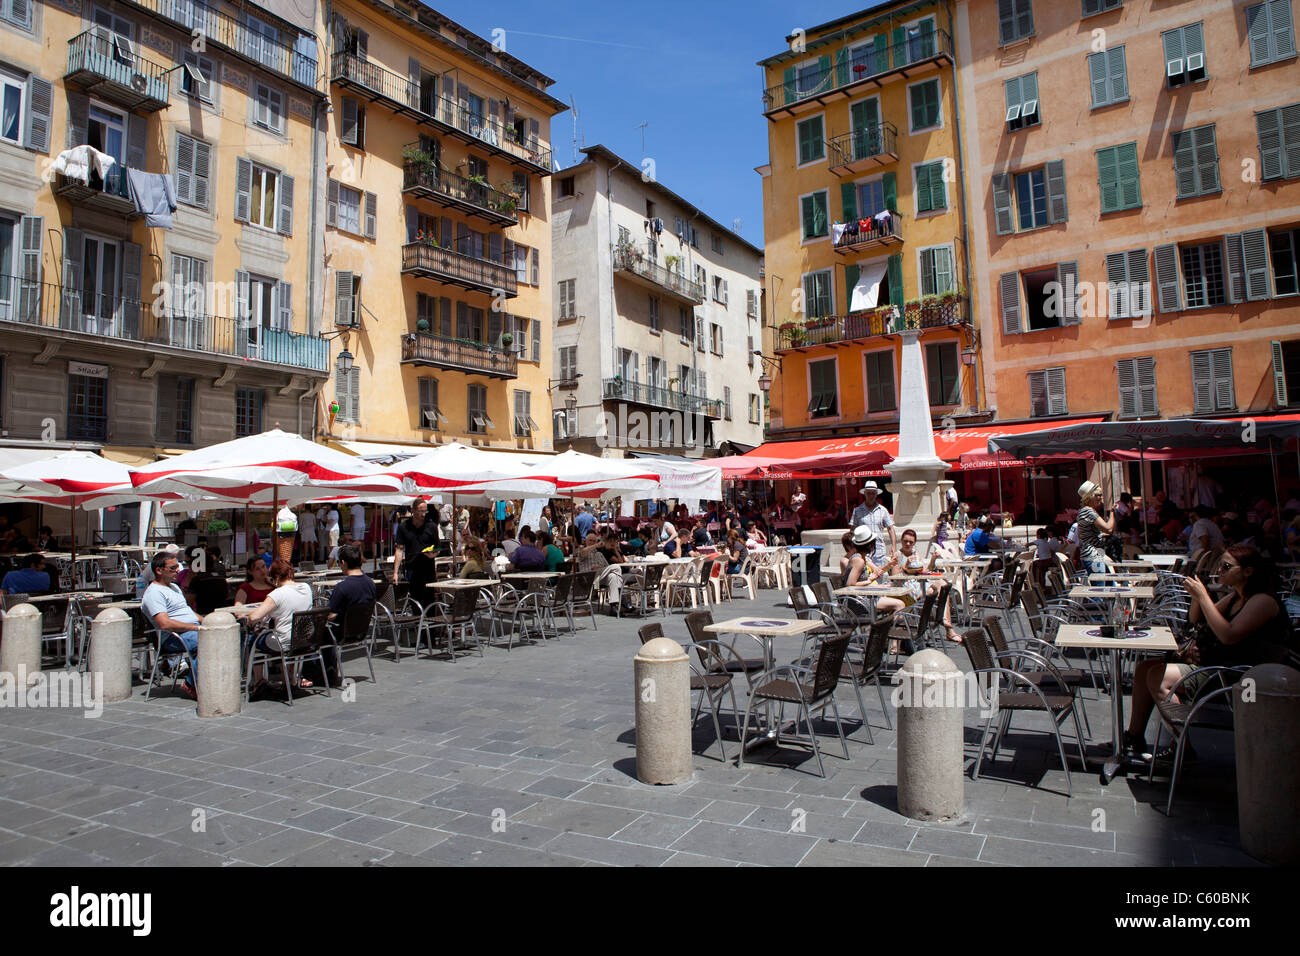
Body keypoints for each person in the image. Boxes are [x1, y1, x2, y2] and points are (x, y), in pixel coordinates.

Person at [1125, 545, 1293, 762]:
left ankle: (1182, 744)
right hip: (1218, 667)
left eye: (1227, 566)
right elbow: (1197, 619)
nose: (1220, 570)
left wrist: (1204, 597)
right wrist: (1198, 596)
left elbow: (1228, 635)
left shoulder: (1263, 601)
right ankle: (1134, 737)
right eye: (1219, 565)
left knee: (1158, 677)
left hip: (1240, 677)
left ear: (1248, 571)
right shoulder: (1236, 598)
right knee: (1144, 669)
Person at [246, 559, 315, 694]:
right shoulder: (306, 588)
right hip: (305, 640)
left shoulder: (277, 594)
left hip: (284, 643)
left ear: (276, 578)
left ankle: (259, 680)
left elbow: (254, 617)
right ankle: (290, 679)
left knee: (252, 640)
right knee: (277, 636)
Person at [141, 551, 201, 699]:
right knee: (207, 641)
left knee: (221, 635)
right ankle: (191, 683)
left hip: (189, 631)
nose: (178, 570)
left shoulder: (174, 587)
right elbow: (164, 623)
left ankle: (207, 681)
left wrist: (208, 621)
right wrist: (195, 627)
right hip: (173, 637)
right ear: (159, 570)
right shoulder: (154, 593)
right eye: (173, 568)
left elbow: (188, 613)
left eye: (178, 566)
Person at [890, 529, 962, 643]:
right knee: (930, 593)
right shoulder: (897, 555)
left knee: (943, 585)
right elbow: (894, 577)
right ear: (901, 541)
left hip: (920, 582)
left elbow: (925, 570)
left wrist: (933, 559)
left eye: (911, 542)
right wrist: (906, 566)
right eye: (905, 541)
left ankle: (943, 618)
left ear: (914, 543)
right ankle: (947, 629)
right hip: (907, 586)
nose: (908, 544)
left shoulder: (916, 553)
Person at [843, 527, 906, 614]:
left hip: (864, 597)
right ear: (870, 545)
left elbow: (860, 583)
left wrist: (880, 587)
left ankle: (887, 626)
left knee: (897, 599)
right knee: (900, 605)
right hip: (859, 602)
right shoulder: (859, 561)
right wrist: (870, 580)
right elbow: (850, 584)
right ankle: (890, 627)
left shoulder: (862, 558)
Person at [393, 499, 439, 607]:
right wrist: (395, 572)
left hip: (428, 569)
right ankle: (418, 622)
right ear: (412, 510)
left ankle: (430, 622)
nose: (423, 514)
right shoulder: (403, 527)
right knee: (415, 601)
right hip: (412, 570)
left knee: (429, 602)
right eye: (420, 511)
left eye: (425, 511)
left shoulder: (431, 526)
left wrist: (433, 554)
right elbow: (399, 550)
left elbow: (437, 547)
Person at [327, 545, 376, 623]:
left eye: (338, 562)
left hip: (341, 631)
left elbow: (331, 615)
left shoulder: (342, 587)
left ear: (343, 563)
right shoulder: (370, 583)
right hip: (363, 629)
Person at [1074, 481, 1114, 574]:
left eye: (1101, 495)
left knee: (1108, 585)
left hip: (1091, 556)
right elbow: (1109, 529)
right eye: (1098, 495)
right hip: (1094, 557)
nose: (1100, 498)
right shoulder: (1089, 512)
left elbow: (1081, 535)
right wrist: (1112, 512)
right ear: (1090, 497)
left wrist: (1099, 535)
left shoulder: (1083, 511)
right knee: (1101, 588)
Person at [851, 481, 895, 565]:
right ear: (864, 494)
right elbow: (852, 530)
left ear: (876, 494)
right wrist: (853, 548)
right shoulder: (857, 511)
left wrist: (893, 547)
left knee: (879, 575)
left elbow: (890, 528)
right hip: (863, 551)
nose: (871, 496)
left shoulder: (883, 510)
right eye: (868, 493)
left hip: (879, 551)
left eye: (873, 493)